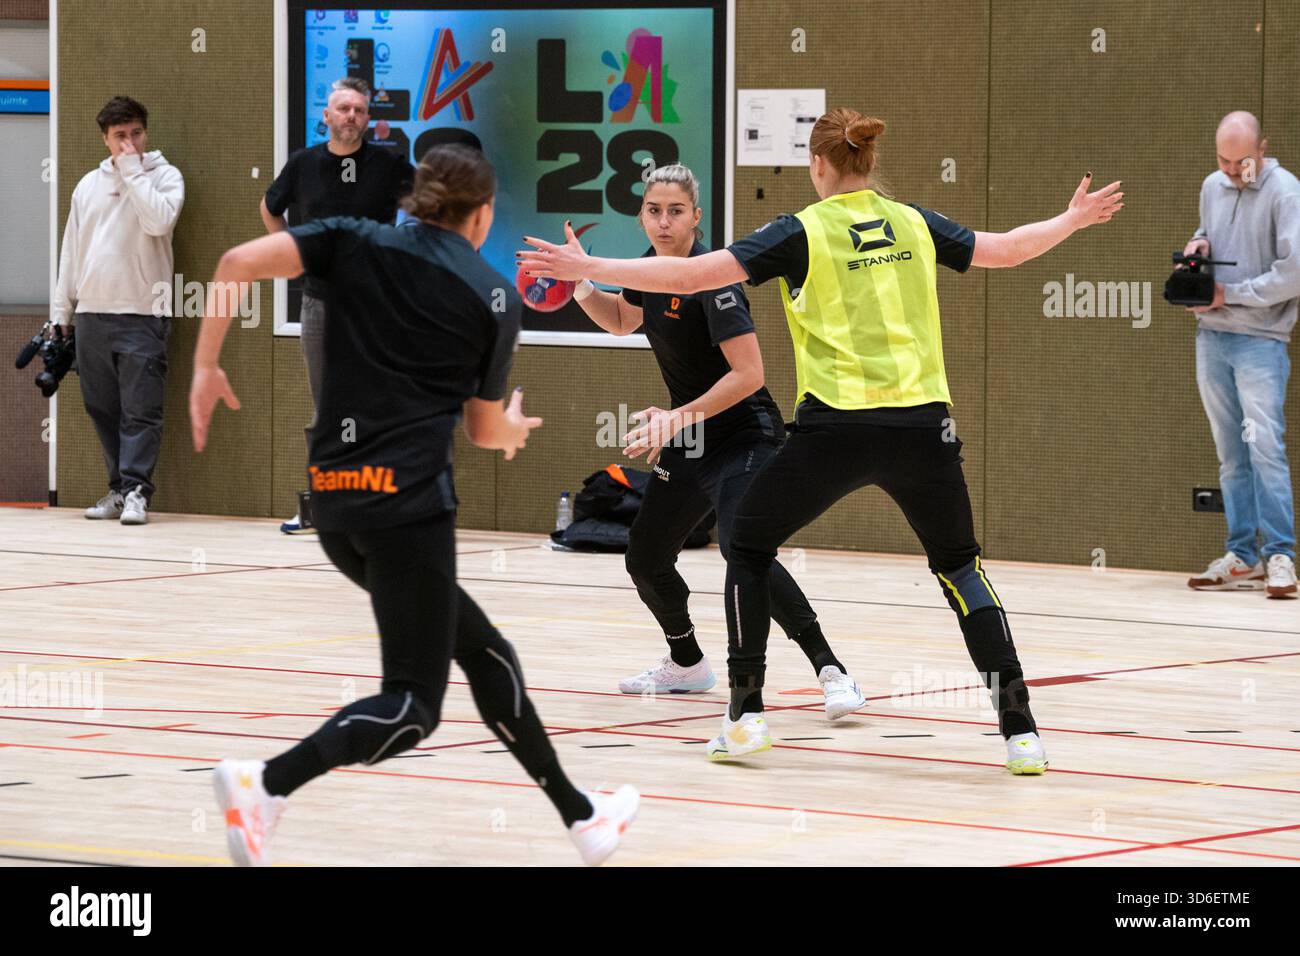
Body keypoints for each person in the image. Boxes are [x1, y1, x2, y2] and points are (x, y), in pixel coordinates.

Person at [520, 108, 1124, 773]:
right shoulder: (915, 222)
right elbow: (1009, 249)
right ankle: (1022, 734)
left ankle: (746, 718)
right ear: (867, 163)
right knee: (960, 569)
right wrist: (1072, 219)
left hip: (836, 428)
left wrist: (586, 263)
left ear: (817, 165)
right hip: (925, 430)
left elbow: (694, 276)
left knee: (746, 546)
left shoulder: (800, 231)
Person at [192, 145, 638, 866]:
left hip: (335, 506)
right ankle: (265, 784)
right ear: (485, 214)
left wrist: (207, 365)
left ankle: (584, 818)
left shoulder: (351, 240)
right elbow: (485, 429)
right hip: (407, 512)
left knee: (487, 652)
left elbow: (237, 263)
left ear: (415, 197)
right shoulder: (493, 296)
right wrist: (516, 428)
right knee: (411, 705)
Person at [569, 163, 865, 723]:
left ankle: (832, 670)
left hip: (744, 436)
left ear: (696, 217)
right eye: (653, 210)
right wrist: (580, 285)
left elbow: (748, 374)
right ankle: (686, 663)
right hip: (688, 438)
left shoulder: (713, 279)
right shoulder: (647, 272)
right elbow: (621, 319)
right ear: (642, 216)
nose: (663, 221)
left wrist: (676, 418)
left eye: (675, 211)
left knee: (742, 547)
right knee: (645, 556)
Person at [261, 76, 415, 534]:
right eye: (342, 109)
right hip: (320, 303)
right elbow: (270, 207)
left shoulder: (389, 164)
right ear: (325, 116)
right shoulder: (303, 164)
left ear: (369, 120)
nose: (351, 116)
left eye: (359, 110)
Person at [53, 95, 184, 526]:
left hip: (144, 312)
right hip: (92, 313)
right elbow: (71, 250)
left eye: (135, 134)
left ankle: (137, 493)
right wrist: (62, 313)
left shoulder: (165, 177)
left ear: (145, 133)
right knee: (102, 407)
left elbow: (159, 222)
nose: (129, 143)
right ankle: (117, 488)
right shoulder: (87, 185)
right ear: (105, 139)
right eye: (119, 136)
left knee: (141, 410)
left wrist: (132, 172)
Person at [1184, 111, 1299, 599]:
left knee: (1266, 449)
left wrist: (1229, 294)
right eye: (1223, 160)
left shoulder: (1284, 192)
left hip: (1260, 341)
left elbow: (1292, 273)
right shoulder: (1213, 185)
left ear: (1263, 148)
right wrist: (1199, 244)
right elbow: (1211, 231)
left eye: (1241, 161)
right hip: (1212, 337)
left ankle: (1281, 556)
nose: (1231, 170)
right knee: (1231, 456)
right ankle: (1242, 556)